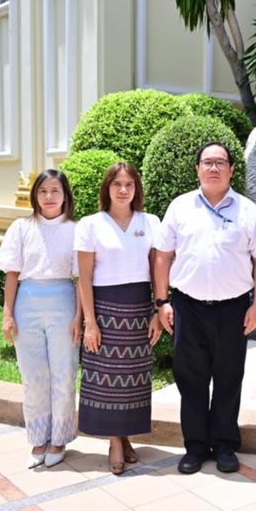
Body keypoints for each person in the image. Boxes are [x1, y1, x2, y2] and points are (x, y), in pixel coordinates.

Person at [153, 142, 256, 474]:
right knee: (190, 379)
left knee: (228, 377)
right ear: (197, 169)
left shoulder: (248, 211)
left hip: (233, 309)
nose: (214, 168)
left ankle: (224, 444)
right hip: (188, 307)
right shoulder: (180, 207)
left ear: (232, 170)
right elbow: (162, 256)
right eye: (207, 162)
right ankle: (195, 445)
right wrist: (162, 302)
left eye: (220, 162)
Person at [74, 163, 162, 475]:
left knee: (132, 380)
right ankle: (114, 441)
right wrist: (90, 322)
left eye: (129, 184)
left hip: (138, 310)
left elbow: (157, 271)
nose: (123, 190)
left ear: (137, 189)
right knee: (107, 379)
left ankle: (124, 437)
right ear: (107, 188)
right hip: (104, 309)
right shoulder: (90, 224)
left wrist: (157, 311)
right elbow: (84, 278)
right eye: (117, 184)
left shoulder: (150, 222)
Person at [0, 169, 81, 469]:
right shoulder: (21, 228)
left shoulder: (76, 230)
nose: (49, 197)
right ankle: (38, 437)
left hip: (63, 301)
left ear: (65, 195)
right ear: (35, 196)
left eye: (55, 190)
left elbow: (82, 279)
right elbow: (11, 274)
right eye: (43, 191)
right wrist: (7, 314)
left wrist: (79, 317)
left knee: (63, 372)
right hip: (27, 302)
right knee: (33, 375)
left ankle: (59, 438)